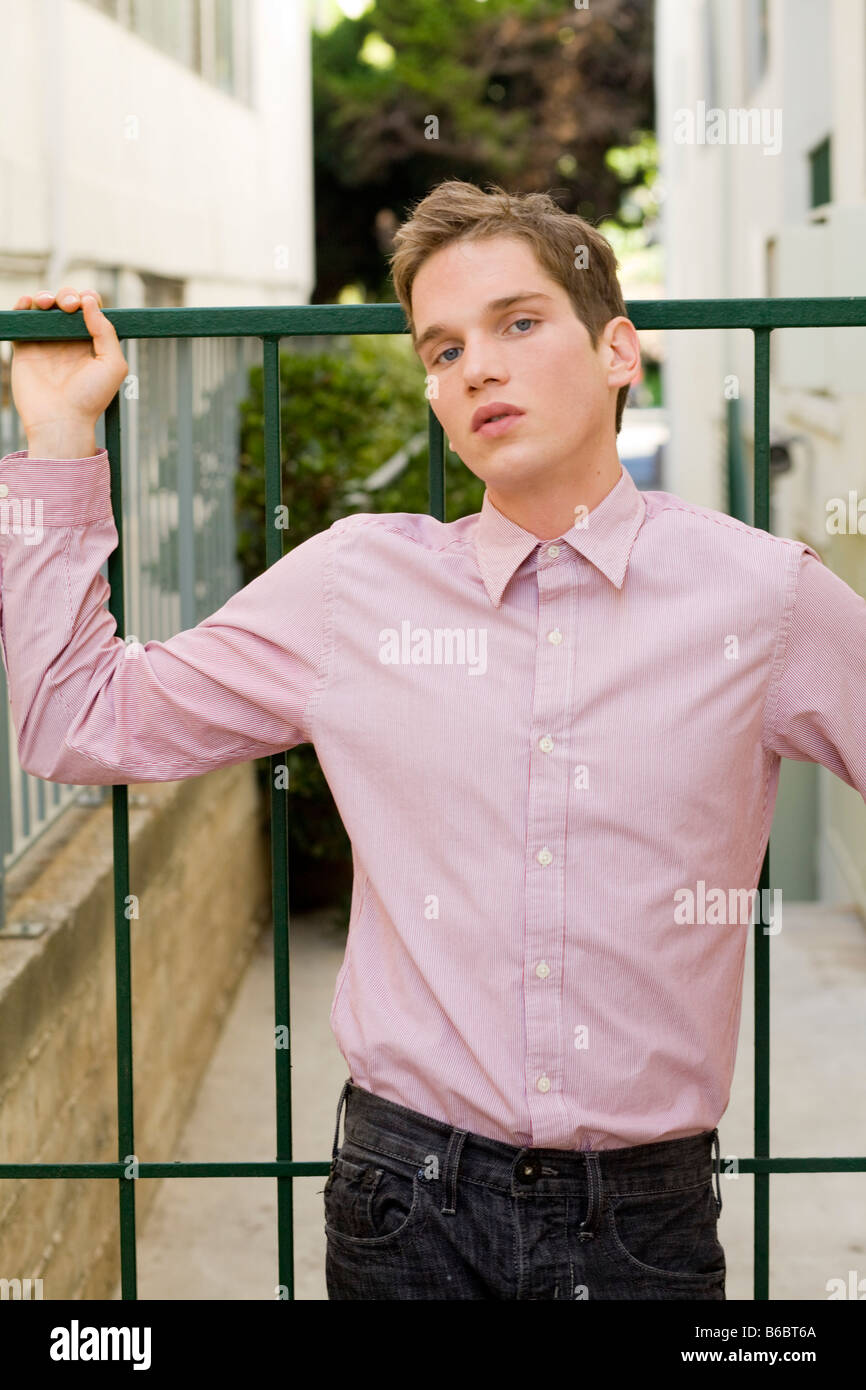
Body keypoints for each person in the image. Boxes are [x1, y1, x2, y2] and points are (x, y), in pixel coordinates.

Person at [3, 180, 864, 1301]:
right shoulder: (354, 583)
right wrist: (61, 439)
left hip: (643, 1221)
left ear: (616, 351)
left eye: (517, 323)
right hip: (402, 1202)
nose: (477, 369)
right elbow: (75, 716)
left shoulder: (765, 597)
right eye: (442, 348)